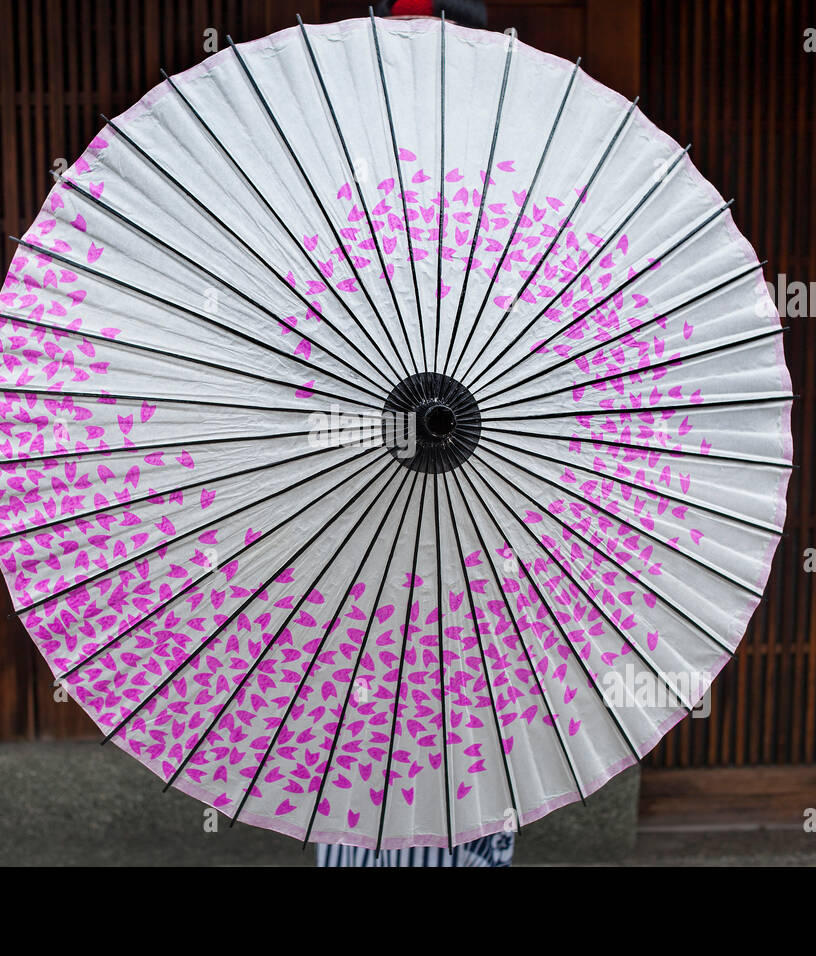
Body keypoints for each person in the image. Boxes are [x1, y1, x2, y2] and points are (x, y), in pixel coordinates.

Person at [315, 0, 506, 869]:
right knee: (450, 700)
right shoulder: (511, 155)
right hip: (481, 474)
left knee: (373, 692)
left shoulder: (333, 168)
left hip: (382, 504)